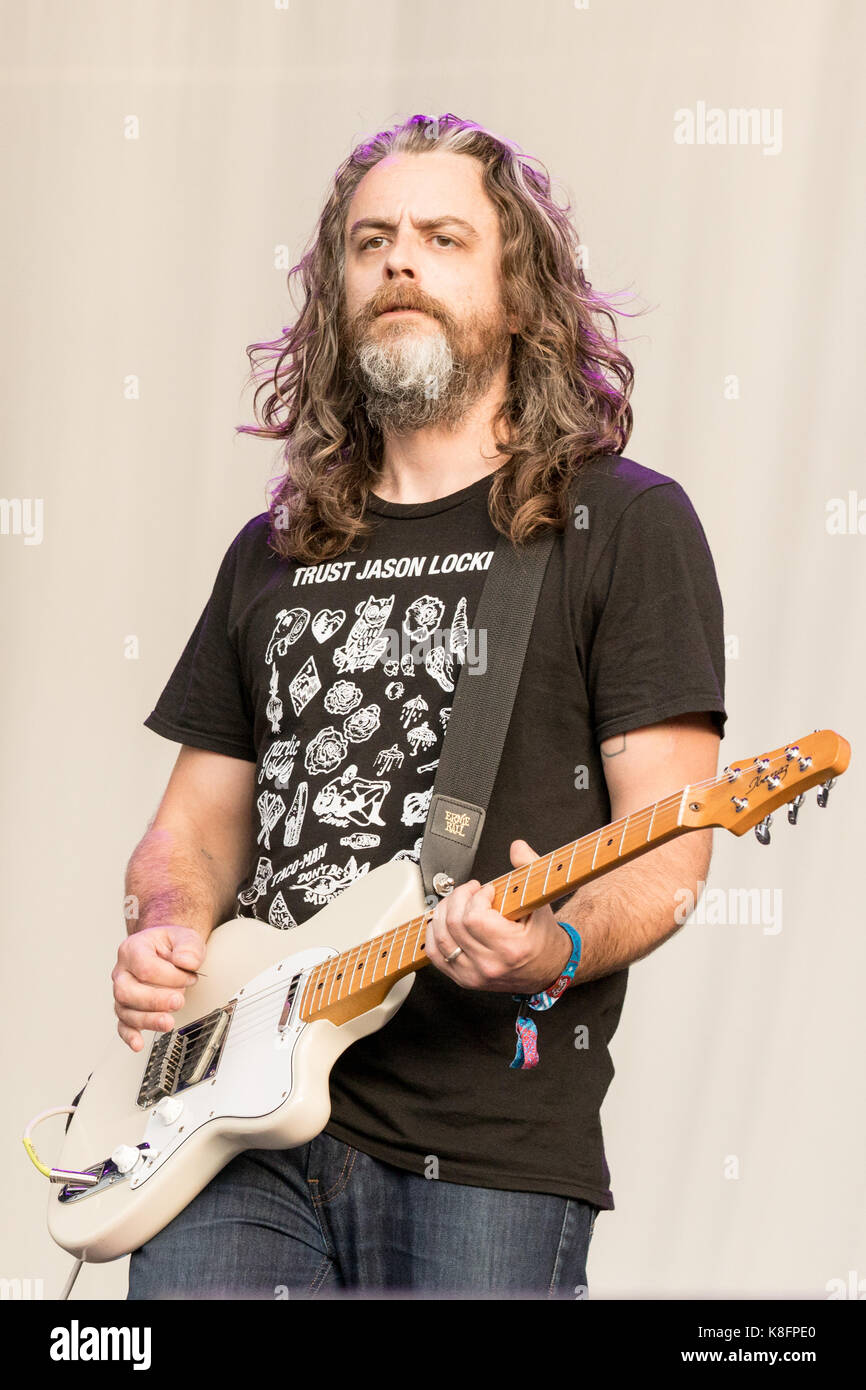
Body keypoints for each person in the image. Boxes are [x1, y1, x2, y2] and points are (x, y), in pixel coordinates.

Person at [117, 113, 726, 1299]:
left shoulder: (618, 524)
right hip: (230, 1120)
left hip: (484, 1141)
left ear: (516, 298)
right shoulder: (276, 548)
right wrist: (162, 923)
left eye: (442, 237)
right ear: (336, 297)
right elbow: (190, 829)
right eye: (370, 240)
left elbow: (671, 845)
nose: (397, 259)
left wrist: (546, 945)